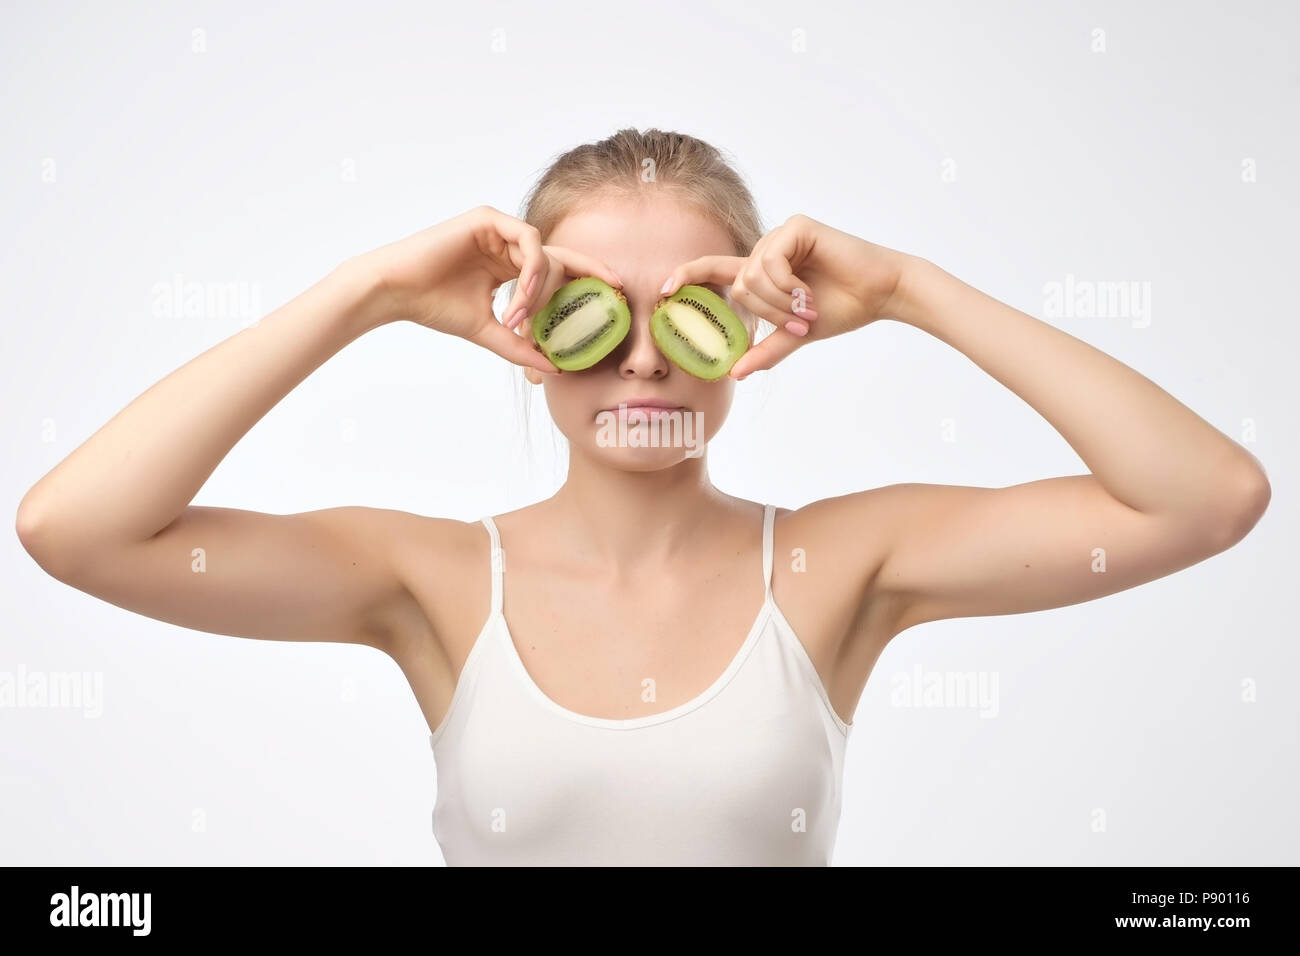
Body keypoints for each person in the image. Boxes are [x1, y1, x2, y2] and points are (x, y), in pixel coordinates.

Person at [15, 127, 1271, 866]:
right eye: (593, 309)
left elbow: (1204, 497)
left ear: (756, 320)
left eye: (695, 308)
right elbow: (73, 529)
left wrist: (904, 290)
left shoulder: (840, 566)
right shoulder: (433, 581)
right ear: (523, 321)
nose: (645, 356)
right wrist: (369, 293)